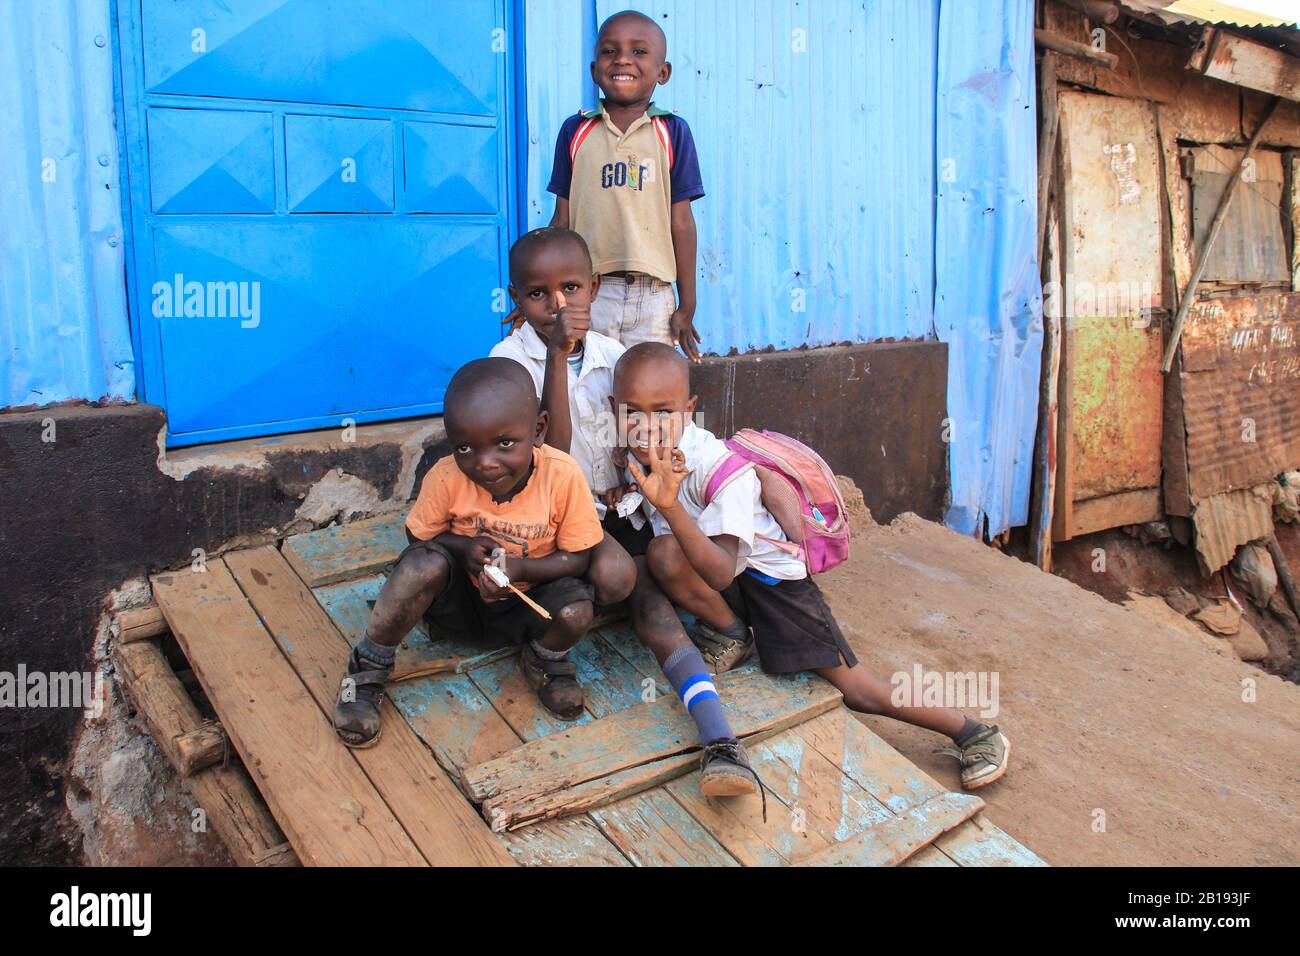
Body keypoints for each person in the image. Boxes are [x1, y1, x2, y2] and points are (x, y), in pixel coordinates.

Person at [614, 343, 1012, 791]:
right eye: (633, 412)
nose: (647, 427)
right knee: (664, 554)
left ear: (689, 410)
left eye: (663, 412)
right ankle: (729, 632)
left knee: (856, 688)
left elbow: (722, 570)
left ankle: (972, 731)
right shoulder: (638, 460)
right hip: (725, 581)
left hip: (773, 585)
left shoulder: (721, 469)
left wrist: (670, 508)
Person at [331, 358, 605, 746]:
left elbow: (579, 559)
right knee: (419, 565)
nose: (485, 463)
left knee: (577, 609)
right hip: (459, 607)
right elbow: (418, 536)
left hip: (527, 608)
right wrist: (462, 548)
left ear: (539, 429)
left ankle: (545, 659)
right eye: (465, 448)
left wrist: (521, 566)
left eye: (505, 444)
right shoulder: (446, 475)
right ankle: (368, 667)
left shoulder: (562, 475)